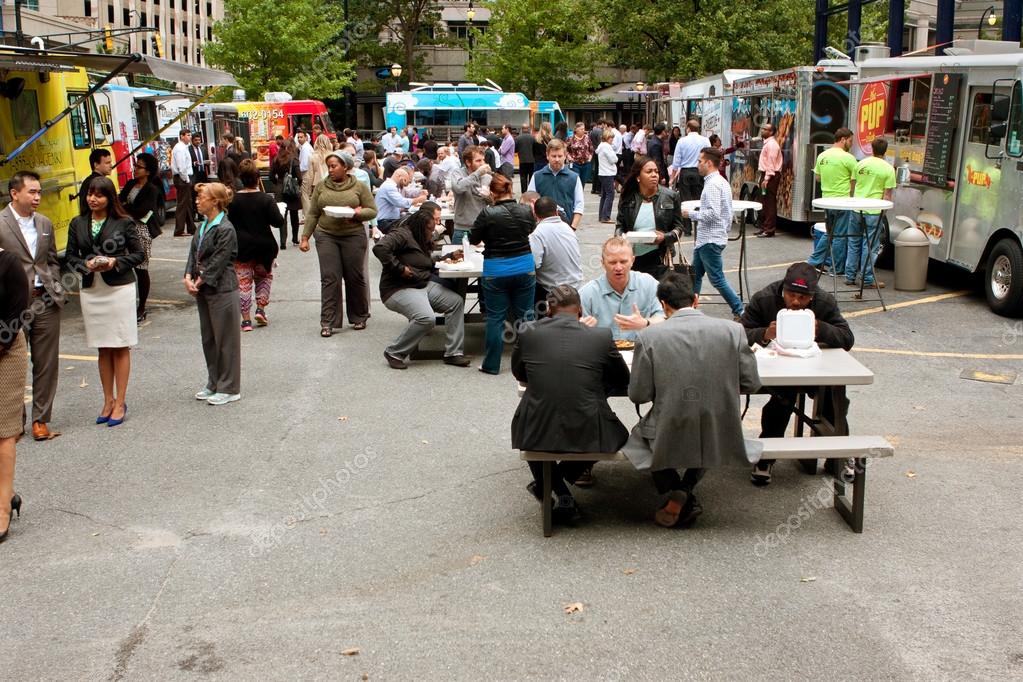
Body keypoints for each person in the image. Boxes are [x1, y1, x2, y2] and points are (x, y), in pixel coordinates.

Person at [625, 272, 761, 527]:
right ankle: (685, 489)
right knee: (712, 430)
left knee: (638, 438)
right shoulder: (733, 331)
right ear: (696, 299)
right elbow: (751, 384)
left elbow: (638, 395)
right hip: (721, 426)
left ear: (664, 306)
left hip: (670, 426)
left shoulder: (649, 337)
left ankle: (676, 489)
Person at [512, 284, 631, 523]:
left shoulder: (528, 331)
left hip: (533, 428)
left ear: (548, 310)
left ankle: (557, 491)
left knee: (536, 438)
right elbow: (623, 379)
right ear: (580, 311)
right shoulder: (600, 336)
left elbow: (520, 373)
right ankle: (559, 484)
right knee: (619, 435)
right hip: (591, 428)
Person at [740, 262, 854, 485]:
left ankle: (838, 452)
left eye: (803, 298)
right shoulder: (764, 299)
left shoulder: (824, 302)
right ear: (783, 288)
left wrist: (821, 328)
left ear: (812, 295)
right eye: (791, 294)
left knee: (834, 396)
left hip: (814, 367)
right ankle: (768, 454)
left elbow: (847, 338)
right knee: (783, 398)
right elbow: (737, 334)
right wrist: (764, 333)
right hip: (774, 368)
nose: (795, 302)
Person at [66, 177, 145, 427]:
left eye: (98, 195)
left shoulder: (124, 222)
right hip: (92, 290)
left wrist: (115, 262)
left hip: (118, 288)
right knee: (102, 346)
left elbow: (139, 254)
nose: (92, 199)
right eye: (89, 194)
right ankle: (107, 400)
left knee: (120, 345)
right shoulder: (77, 223)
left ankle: (120, 401)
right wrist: (84, 265)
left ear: (109, 198)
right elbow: (69, 256)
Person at [0, 171, 65, 441]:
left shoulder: (45, 223)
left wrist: (56, 285)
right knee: (11, 363)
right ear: (15, 193)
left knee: (46, 362)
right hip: (12, 306)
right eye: (32, 192)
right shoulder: (1, 223)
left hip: (46, 300)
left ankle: (41, 420)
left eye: (39, 192)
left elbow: (51, 260)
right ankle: (13, 423)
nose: (38, 197)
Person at [373, 203, 471, 370]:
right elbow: (380, 248)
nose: (432, 233)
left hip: (421, 284)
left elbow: (424, 264)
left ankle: (453, 353)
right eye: (430, 229)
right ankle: (394, 352)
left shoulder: (420, 238)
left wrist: (448, 256)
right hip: (398, 288)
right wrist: (399, 268)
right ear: (420, 227)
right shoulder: (402, 234)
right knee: (426, 318)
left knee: (456, 302)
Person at [299, 152, 378, 337]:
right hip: (327, 235)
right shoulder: (321, 187)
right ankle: (328, 321)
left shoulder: (359, 186)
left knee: (354, 276)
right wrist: (305, 237)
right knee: (330, 277)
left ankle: (359, 316)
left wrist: (357, 213)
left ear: (346, 167)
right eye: (329, 166)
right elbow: (313, 214)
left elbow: (372, 210)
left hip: (353, 236)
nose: (331, 170)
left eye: (334, 166)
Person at [470, 173, 536, 375]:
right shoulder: (526, 210)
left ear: (492, 193)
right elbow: (531, 229)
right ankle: (531, 364)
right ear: (510, 190)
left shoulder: (487, 213)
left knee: (495, 318)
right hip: (524, 266)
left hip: (496, 269)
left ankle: (491, 364)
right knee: (526, 316)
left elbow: (473, 238)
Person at [184, 182, 242, 406]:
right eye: (197, 197)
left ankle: (229, 387)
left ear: (215, 201)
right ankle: (214, 381)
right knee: (209, 338)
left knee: (226, 339)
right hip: (204, 289)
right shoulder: (204, 225)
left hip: (222, 289)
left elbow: (218, 262)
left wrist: (197, 282)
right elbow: (193, 253)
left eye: (201, 197)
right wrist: (188, 276)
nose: (197, 201)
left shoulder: (225, 228)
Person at [681, 147, 744, 320]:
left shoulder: (713, 184)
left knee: (716, 278)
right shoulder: (717, 181)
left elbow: (714, 213)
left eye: (700, 161)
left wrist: (690, 214)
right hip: (707, 239)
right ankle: (689, 309)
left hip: (710, 239)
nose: (698, 164)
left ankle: (740, 310)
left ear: (709, 163)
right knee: (695, 275)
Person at [229, 159, 286, 331]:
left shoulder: (233, 201)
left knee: (243, 282)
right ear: (256, 178)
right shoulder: (265, 199)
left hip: (241, 247)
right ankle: (260, 309)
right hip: (264, 247)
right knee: (263, 278)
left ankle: (246, 320)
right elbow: (277, 222)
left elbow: (229, 223)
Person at [579, 237, 664, 342]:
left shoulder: (649, 284)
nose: (618, 267)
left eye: (623, 262)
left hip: (641, 352)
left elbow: (666, 318)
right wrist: (580, 330)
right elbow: (575, 330)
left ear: (632, 261)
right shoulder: (587, 293)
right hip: (603, 354)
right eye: (612, 262)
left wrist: (645, 323)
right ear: (602, 263)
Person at [0, 246, 29, 542]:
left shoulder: (8, 263)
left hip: (5, 353)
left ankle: (2, 509)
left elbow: (14, 317)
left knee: (4, 432)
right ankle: (7, 493)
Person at [615, 155, 685, 276]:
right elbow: (619, 226)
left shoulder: (670, 196)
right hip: (632, 259)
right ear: (638, 177)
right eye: (649, 172)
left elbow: (679, 228)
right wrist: (622, 237)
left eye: (656, 172)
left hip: (660, 258)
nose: (654, 175)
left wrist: (665, 237)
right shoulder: (627, 197)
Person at [118, 153, 163, 324]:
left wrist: (126, 208)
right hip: (124, 229)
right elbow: (118, 202)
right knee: (123, 265)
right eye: (135, 165)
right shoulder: (130, 184)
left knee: (141, 268)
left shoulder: (151, 189)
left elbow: (142, 211)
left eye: (139, 167)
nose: (135, 169)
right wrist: (127, 208)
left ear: (148, 171)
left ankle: (141, 306)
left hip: (141, 230)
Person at [845, 137, 894, 289]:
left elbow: (852, 186)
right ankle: (866, 279)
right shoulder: (888, 169)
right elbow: (887, 195)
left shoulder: (860, 164)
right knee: (870, 245)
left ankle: (850, 276)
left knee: (853, 242)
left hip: (856, 209)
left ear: (872, 149)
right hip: (873, 211)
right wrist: (883, 213)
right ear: (885, 151)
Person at [807, 127, 858, 273]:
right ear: (843, 139)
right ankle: (836, 269)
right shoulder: (848, 158)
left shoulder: (822, 156)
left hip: (827, 200)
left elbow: (817, 177)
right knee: (840, 236)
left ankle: (814, 261)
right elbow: (855, 180)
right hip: (842, 200)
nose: (851, 144)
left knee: (830, 233)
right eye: (850, 141)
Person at [529, 197, 583, 304]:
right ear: (557, 212)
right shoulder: (568, 228)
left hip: (553, 289)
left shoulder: (537, 234)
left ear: (535, 215)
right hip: (576, 283)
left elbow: (533, 264)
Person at [527, 139, 584, 229]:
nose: (557, 159)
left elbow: (579, 205)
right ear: (547, 156)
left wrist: (573, 228)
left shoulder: (574, 178)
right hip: (542, 229)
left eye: (560, 156)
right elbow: (530, 204)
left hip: (566, 228)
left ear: (565, 156)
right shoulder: (537, 176)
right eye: (553, 156)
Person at [450, 145, 493, 243]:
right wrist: (477, 173)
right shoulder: (458, 173)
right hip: (462, 230)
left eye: (483, 160)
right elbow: (459, 188)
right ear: (468, 162)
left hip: (482, 228)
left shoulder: (487, 177)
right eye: (478, 161)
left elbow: (494, 202)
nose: (482, 163)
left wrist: (489, 197)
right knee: (459, 257)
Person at [271, 139, 302, 248]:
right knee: (294, 215)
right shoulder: (294, 160)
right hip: (292, 189)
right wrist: (296, 185)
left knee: (282, 215)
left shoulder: (276, 159)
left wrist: (278, 183)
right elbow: (299, 177)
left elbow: (271, 176)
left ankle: (283, 242)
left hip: (280, 189)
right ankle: (295, 238)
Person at [670, 119, 711, 202]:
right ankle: (697, 214)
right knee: (699, 198)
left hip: (685, 172)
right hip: (700, 172)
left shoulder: (681, 141)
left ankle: (686, 214)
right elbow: (710, 156)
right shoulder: (705, 140)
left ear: (688, 128)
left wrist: (672, 178)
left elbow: (676, 161)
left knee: (685, 199)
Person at [376, 167, 425, 234]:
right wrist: (418, 200)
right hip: (385, 222)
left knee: (416, 218)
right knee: (416, 224)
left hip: (390, 220)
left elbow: (397, 205)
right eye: (405, 180)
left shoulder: (393, 186)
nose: (405, 183)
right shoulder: (389, 186)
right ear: (399, 176)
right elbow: (401, 202)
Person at [755, 122, 783, 238]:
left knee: (769, 202)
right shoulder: (768, 143)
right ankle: (764, 228)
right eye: (762, 128)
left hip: (770, 176)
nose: (762, 130)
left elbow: (771, 163)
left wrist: (766, 178)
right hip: (767, 174)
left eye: (765, 129)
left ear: (771, 132)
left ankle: (769, 229)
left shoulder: (772, 145)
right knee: (764, 202)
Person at [172, 129, 196, 237]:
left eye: (190, 135)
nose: (190, 137)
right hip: (182, 178)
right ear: (182, 136)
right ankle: (179, 230)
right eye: (188, 135)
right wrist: (186, 179)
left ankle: (191, 228)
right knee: (182, 204)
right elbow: (181, 167)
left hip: (184, 178)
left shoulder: (183, 148)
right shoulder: (180, 148)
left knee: (188, 204)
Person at [78, 148, 113, 215]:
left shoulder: (87, 181)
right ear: (96, 165)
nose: (111, 165)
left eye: (110, 162)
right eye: (107, 163)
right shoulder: (101, 183)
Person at [566, 122, 594, 191]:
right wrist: (569, 157)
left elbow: (591, 149)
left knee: (583, 182)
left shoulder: (587, 138)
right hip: (575, 163)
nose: (583, 130)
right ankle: (574, 195)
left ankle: (580, 197)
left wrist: (590, 158)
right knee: (576, 180)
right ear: (576, 129)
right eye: (581, 129)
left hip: (586, 163)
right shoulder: (570, 139)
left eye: (584, 129)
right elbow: (565, 150)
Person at [296, 131, 314, 214]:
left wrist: (298, 172)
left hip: (305, 173)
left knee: (304, 195)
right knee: (306, 195)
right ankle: (306, 214)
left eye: (301, 137)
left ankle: (307, 215)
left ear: (306, 137)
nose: (299, 139)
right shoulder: (305, 147)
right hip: (308, 172)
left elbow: (304, 165)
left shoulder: (305, 148)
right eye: (298, 137)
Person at [515, 124, 535, 194]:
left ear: (522, 129)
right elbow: (535, 149)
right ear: (528, 129)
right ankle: (530, 192)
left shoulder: (518, 138)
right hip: (532, 161)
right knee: (531, 178)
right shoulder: (533, 138)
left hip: (522, 161)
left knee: (523, 178)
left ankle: (524, 193)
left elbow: (515, 150)